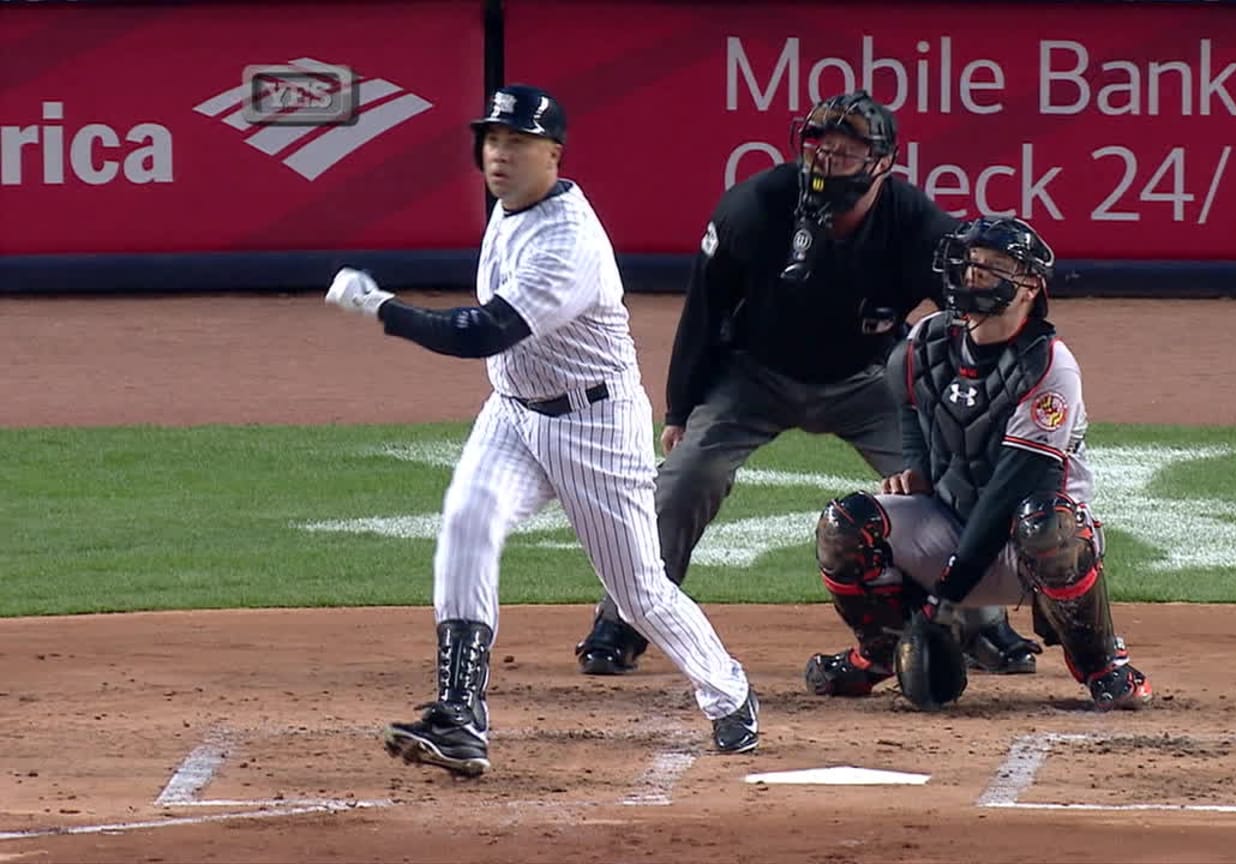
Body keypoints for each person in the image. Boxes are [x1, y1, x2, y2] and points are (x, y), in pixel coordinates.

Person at [322, 83, 760, 777]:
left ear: (552, 154)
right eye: (493, 140)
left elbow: (482, 331)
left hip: (594, 423)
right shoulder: (509, 207)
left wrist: (381, 307)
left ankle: (728, 690)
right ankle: (459, 714)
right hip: (514, 410)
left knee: (639, 590)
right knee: (467, 522)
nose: (499, 154)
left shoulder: (569, 241)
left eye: (517, 143)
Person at [573, 89, 1042, 679]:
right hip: (752, 375)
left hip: (870, 378)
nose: (829, 160)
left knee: (952, 477)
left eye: (848, 151)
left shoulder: (915, 223)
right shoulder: (754, 206)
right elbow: (705, 306)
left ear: (882, 163)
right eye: (822, 147)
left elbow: (969, 318)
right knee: (686, 476)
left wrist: (960, 404)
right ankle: (623, 619)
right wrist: (680, 408)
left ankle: (982, 623)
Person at [803, 216, 1154, 711]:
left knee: (1043, 524)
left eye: (992, 268)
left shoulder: (1049, 366)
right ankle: (880, 654)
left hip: (1025, 550)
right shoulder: (926, 343)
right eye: (971, 265)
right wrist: (917, 466)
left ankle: (1103, 666)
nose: (973, 276)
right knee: (845, 525)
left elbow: (1010, 490)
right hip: (948, 525)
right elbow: (910, 403)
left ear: (1029, 285)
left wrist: (942, 599)